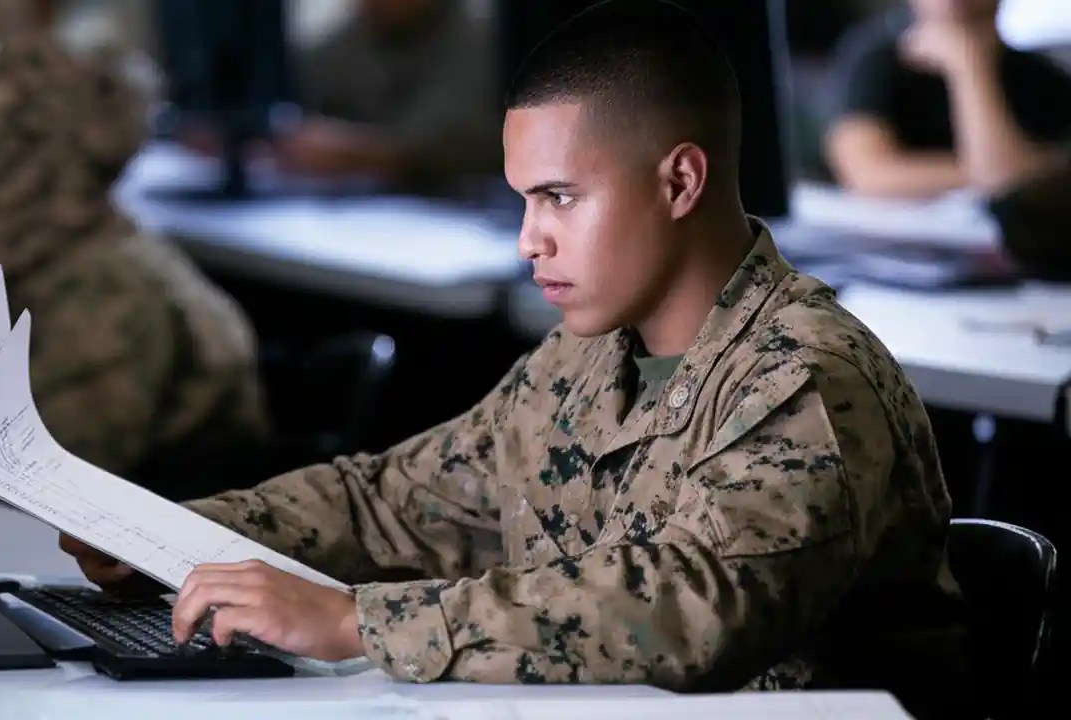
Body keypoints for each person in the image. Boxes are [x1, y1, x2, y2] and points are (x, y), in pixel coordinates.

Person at [62, 2, 971, 715]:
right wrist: (178, 541)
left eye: (561, 198)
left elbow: (693, 611)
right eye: (525, 202)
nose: (530, 239)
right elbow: (401, 502)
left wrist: (357, 622)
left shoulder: (805, 378)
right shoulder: (587, 356)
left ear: (681, 182)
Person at [0, 32, 271, 498]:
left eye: (4, 150)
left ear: (75, 161)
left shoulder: (121, 291)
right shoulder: (19, 266)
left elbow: (34, 477)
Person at [824, 0, 1071, 200]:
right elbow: (867, 173)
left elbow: (1041, 179)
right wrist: (995, 171)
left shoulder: (1043, 77)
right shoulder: (875, 58)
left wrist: (968, 66)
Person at [273, 0, 501, 192]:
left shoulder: (474, 38)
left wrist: (353, 153)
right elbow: (302, 87)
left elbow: (439, 142)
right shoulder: (359, 34)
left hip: (455, 212)